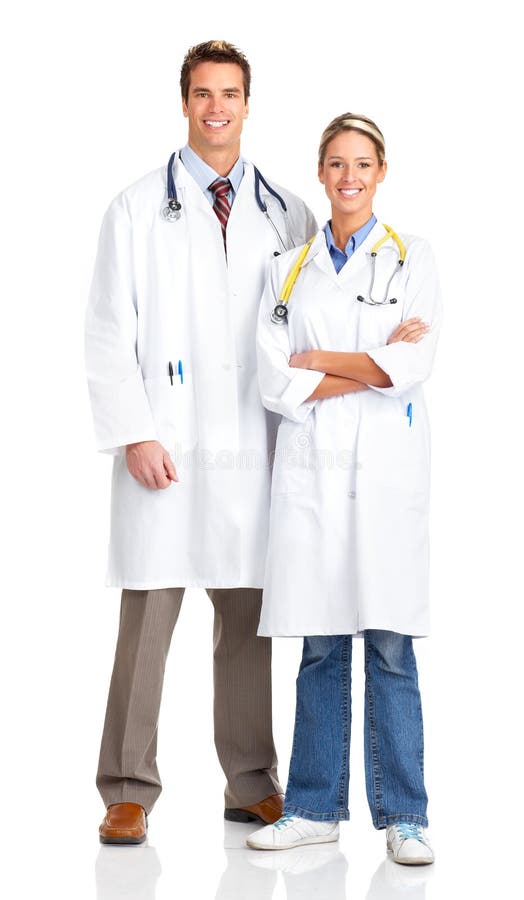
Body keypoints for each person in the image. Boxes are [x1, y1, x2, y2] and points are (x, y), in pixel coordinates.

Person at [85, 40, 317, 845]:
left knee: (248, 621)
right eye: (202, 93)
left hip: (252, 451)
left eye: (230, 94)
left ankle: (251, 780)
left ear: (249, 105)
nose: (216, 107)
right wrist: (135, 432)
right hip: (167, 446)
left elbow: (303, 337)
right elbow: (110, 331)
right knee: (147, 616)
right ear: (184, 102)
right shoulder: (136, 207)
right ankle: (127, 787)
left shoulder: (288, 212)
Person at [246, 113, 442, 865]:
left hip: (388, 476)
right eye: (336, 163)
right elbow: (272, 378)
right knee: (322, 645)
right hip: (315, 476)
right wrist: (368, 359)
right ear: (321, 173)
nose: (349, 176)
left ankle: (406, 817)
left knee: (391, 646)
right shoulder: (287, 269)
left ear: (381, 171)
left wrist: (318, 359)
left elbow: (414, 368)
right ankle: (312, 806)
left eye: (363, 163)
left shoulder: (411, 257)